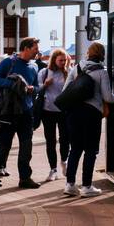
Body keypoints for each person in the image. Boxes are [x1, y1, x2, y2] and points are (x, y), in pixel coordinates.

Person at [62, 42, 114, 197]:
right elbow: (107, 97)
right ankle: (86, 186)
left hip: (73, 113)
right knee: (91, 150)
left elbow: (65, 91)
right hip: (92, 114)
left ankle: (70, 185)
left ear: (88, 53)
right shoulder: (101, 72)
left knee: (76, 148)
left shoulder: (76, 68)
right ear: (102, 54)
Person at [0, 37, 41, 189]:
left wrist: (32, 89)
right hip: (8, 111)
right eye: (35, 49)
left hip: (26, 111)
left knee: (26, 146)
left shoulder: (34, 66)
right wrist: (12, 85)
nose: (37, 52)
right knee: (4, 145)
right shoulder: (9, 62)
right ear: (26, 48)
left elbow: (37, 87)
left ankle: (25, 178)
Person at [36, 48, 71, 182]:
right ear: (54, 60)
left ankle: (64, 161)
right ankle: (53, 170)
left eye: (65, 60)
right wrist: (44, 85)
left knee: (65, 139)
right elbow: (37, 88)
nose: (63, 62)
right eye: (60, 60)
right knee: (50, 140)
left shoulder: (69, 72)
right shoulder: (44, 72)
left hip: (63, 111)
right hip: (47, 111)